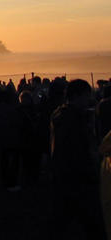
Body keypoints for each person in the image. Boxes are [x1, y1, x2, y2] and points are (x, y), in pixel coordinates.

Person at [50, 79, 105, 239]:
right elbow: (80, 150)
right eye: (86, 95)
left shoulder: (59, 115)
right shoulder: (74, 120)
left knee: (63, 220)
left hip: (62, 176)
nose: (89, 99)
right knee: (91, 222)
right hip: (79, 177)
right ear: (77, 96)